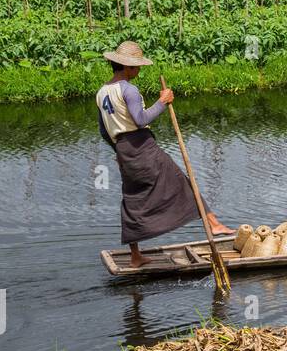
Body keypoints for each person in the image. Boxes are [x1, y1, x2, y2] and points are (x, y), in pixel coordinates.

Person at [96, 41, 231, 267]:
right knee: (183, 182)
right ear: (127, 67)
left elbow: (103, 130)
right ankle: (214, 224)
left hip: (124, 150)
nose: (139, 70)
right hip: (142, 147)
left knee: (132, 199)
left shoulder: (101, 93)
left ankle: (136, 256)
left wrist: (118, 153)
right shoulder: (128, 90)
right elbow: (141, 120)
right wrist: (162, 101)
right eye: (137, 66)